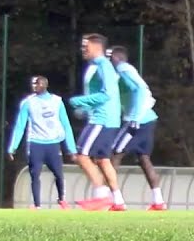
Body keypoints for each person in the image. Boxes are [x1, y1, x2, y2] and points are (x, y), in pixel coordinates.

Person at [68, 33, 125, 211]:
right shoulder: (99, 65)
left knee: (82, 155)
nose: (83, 49)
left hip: (102, 119)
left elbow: (106, 94)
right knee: (102, 160)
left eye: (86, 46)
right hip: (110, 119)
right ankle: (118, 201)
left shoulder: (102, 65)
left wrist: (80, 102)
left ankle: (101, 196)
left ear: (96, 46)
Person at [107, 45, 166, 211]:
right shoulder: (122, 73)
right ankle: (158, 201)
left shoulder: (122, 68)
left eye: (109, 58)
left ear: (116, 58)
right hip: (148, 119)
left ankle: (111, 199)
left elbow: (139, 88)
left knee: (115, 154)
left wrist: (135, 117)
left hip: (137, 121)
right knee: (143, 158)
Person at [6, 75, 77, 210]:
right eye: (33, 84)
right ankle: (37, 204)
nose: (34, 86)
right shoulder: (28, 103)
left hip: (53, 143)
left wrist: (72, 149)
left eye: (36, 83)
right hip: (35, 143)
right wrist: (13, 147)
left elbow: (66, 125)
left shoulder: (57, 102)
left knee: (58, 174)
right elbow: (20, 125)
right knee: (35, 174)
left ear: (44, 85)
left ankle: (62, 199)